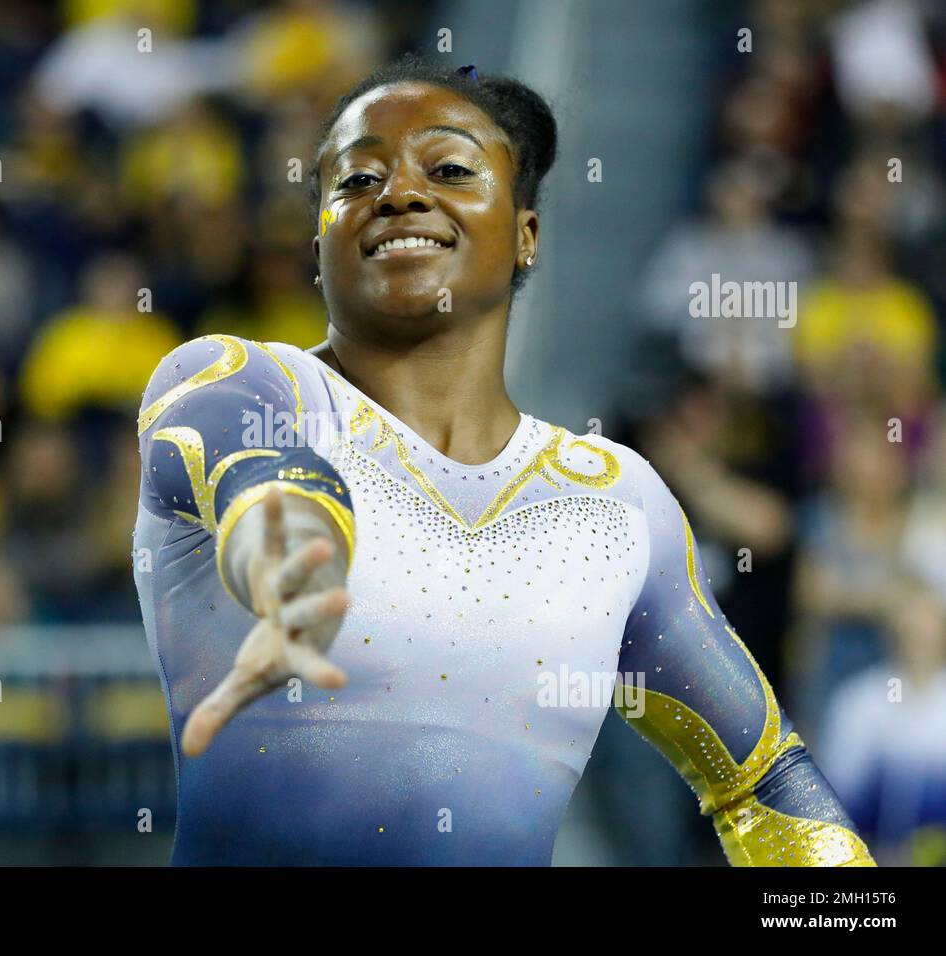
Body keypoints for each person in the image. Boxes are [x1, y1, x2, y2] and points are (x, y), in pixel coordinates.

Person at [132, 55, 874, 866]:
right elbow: (260, 476)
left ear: (526, 236)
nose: (399, 194)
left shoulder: (616, 501)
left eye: (448, 168)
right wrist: (293, 569)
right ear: (318, 241)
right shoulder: (241, 382)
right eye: (355, 181)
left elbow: (763, 782)